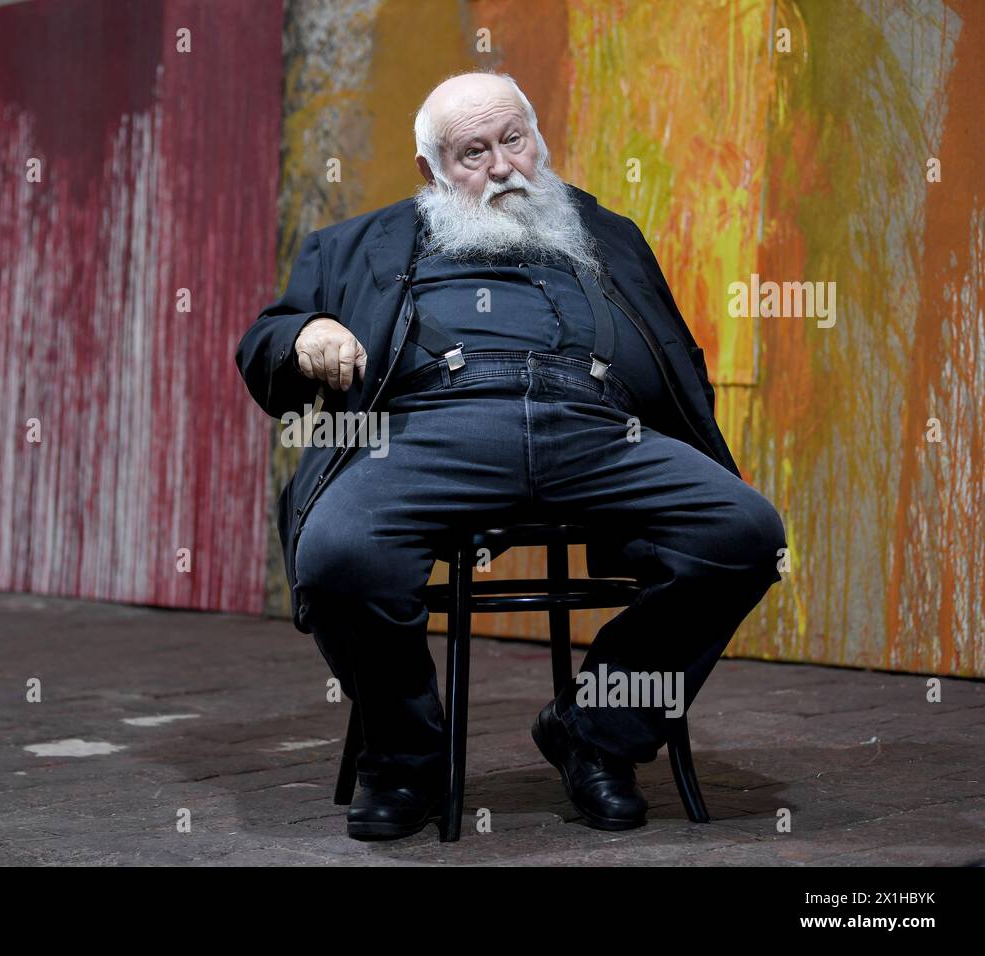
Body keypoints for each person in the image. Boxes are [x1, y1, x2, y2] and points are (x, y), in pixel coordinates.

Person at [236, 71, 786, 841]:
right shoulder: (359, 243)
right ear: (431, 172)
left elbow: (672, 354)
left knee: (744, 532)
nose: (502, 167)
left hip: (597, 427)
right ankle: (405, 759)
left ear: (538, 138)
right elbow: (265, 343)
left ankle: (597, 732)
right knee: (337, 555)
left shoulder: (608, 233)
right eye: (473, 153)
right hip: (429, 432)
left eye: (514, 140)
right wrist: (305, 337)